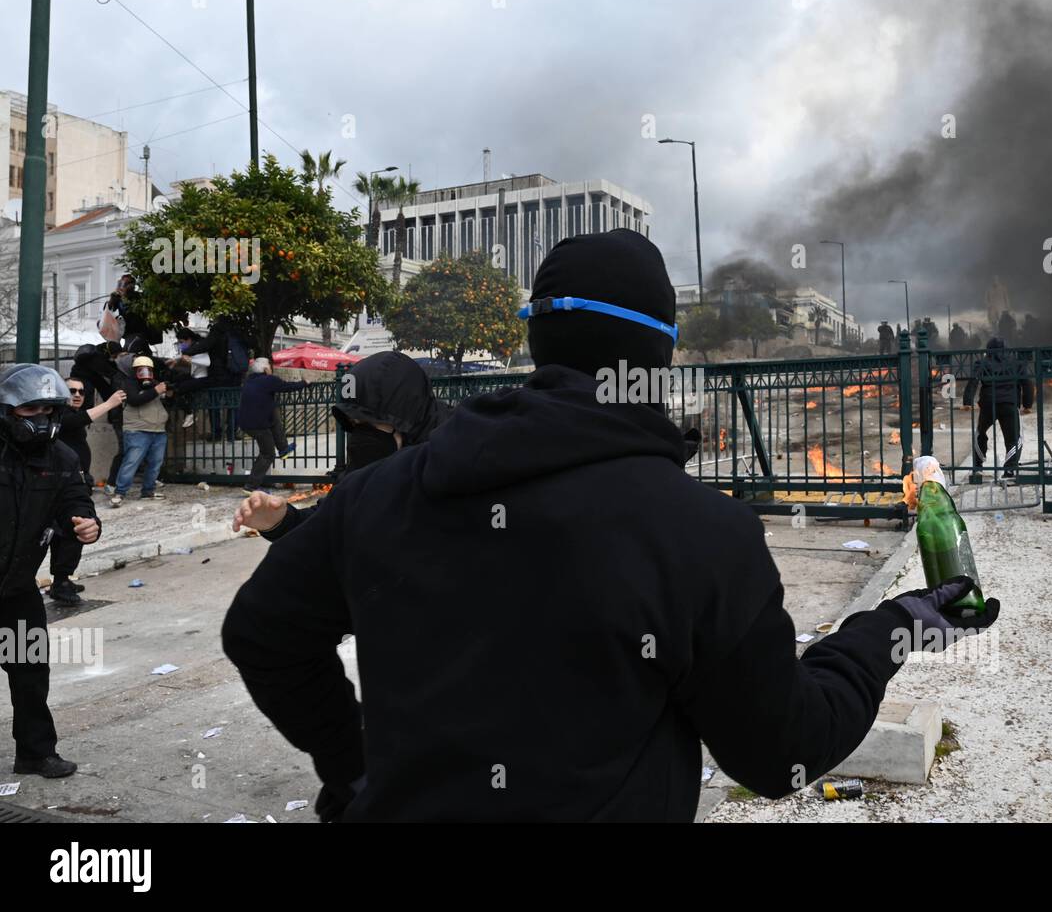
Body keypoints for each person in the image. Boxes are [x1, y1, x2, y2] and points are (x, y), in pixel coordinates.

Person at [222, 229, 999, 822]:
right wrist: (897, 625)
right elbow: (782, 750)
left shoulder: (382, 494)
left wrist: (355, 764)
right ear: (657, 354)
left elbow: (263, 631)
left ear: (536, 337)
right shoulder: (701, 534)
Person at [0, 364, 101, 779]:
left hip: (17, 588)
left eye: (47, 409)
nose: (40, 418)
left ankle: (36, 754)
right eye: (29, 410)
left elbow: (76, 501)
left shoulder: (63, 458)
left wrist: (86, 523)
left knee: (30, 673)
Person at [231, 350, 450, 539]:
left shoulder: (457, 463)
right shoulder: (375, 462)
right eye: (354, 423)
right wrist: (281, 521)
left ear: (404, 417)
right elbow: (332, 515)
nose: (360, 436)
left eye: (368, 422)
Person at [47, 379, 125, 605]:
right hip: (62, 484)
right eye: (72, 391)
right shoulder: (59, 416)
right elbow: (79, 419)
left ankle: (62, 579)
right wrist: (109, 404)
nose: (78, 395)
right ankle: (60, 583)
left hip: (77, 482)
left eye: (82, 391)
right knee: (69, 530)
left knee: (77, 530)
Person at [961, 336, 1035, 483]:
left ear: (988, 350)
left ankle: (977, 468)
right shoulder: (1016, 363)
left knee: (980, 434)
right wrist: (1027, 405)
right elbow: (1027, 384)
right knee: (1014, 438)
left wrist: (967, 402)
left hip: (988, 403)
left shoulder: (982, 363)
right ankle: (1010, 469)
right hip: (1009, 404)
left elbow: (973, 381)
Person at [108, 354, 169, 507]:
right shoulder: (129, 383)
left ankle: (148, 491)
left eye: (148, 370)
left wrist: (169, 393)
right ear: (134, 371)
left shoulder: (155, 384)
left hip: (158, 429)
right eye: (141, 370)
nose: (145, 373)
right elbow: (134, 400)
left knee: (155, 462)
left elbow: (166, 400)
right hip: (137, 430)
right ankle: (120, 492)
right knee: (131, 461)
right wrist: (156, 390)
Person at [237, 358, 305, 495]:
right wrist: (305, 383)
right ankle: (250, 486)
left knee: (273, 413)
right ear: (265, 369)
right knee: (268, 453)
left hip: (247, 422)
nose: (271, 367)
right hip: (258, 424)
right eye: (269, 365)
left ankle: (283, 449)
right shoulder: (269, 380)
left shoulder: (249, 381)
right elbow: (287, 387)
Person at [72, 342, 126, 493]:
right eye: (115, 356)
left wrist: (112, 399)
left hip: (85, 384)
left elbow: (102, 385)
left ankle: (85, 482)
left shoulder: (93, 363)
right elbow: (110, 374)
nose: (115, 360)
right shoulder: (97, 360)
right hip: (84, 387)